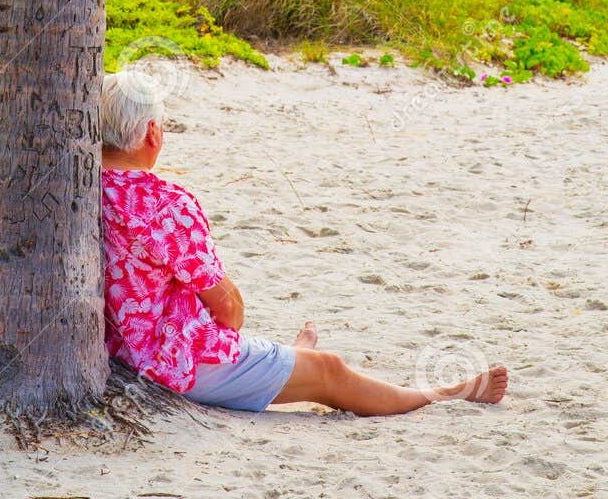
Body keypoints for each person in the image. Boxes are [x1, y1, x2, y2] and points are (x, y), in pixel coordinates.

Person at [101, 68, 508, 416]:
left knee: (285, 357)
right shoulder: (165, 204)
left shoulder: (86, 187)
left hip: (123, 348)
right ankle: (443, 393)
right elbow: (228, 312)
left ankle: (290, 356)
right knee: (330, 371)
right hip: (171, 362)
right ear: (152, 132)